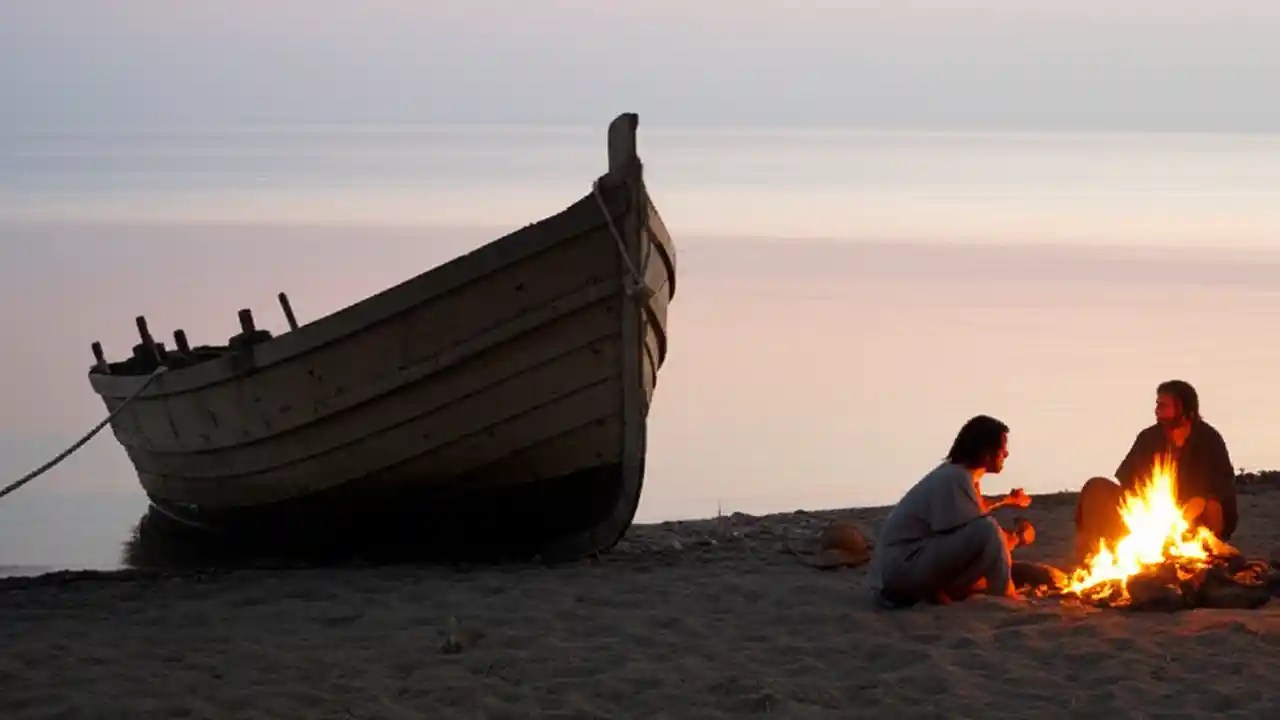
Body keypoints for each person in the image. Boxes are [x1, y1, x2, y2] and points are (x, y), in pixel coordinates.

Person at [871, 415, 1034, 607]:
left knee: (988, 537)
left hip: (906, 567)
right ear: (985, 452)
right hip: (902, 569)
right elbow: (971, 529)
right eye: (1002, 448)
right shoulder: (954, 477)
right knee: (988, 530)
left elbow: (974, 508)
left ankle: (948, 593)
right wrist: (1015, 538)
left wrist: (1008, 500)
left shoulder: (960, 477)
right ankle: (1005, 595)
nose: (1006, 454)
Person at [1074, 380, 1238, 563]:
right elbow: (1128, 480)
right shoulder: (1148, 438)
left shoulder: (1208, 439)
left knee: (1212, 506)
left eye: (1163, 405)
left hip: (1195, 518)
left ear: (1184, 408)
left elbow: (1214, 488)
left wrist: (1177, 520)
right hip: (1150, 515)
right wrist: (1142, 510)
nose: (1157, 409)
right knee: (1097, 487)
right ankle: (1095, 555)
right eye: (1157, 404)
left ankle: (1210, 556)